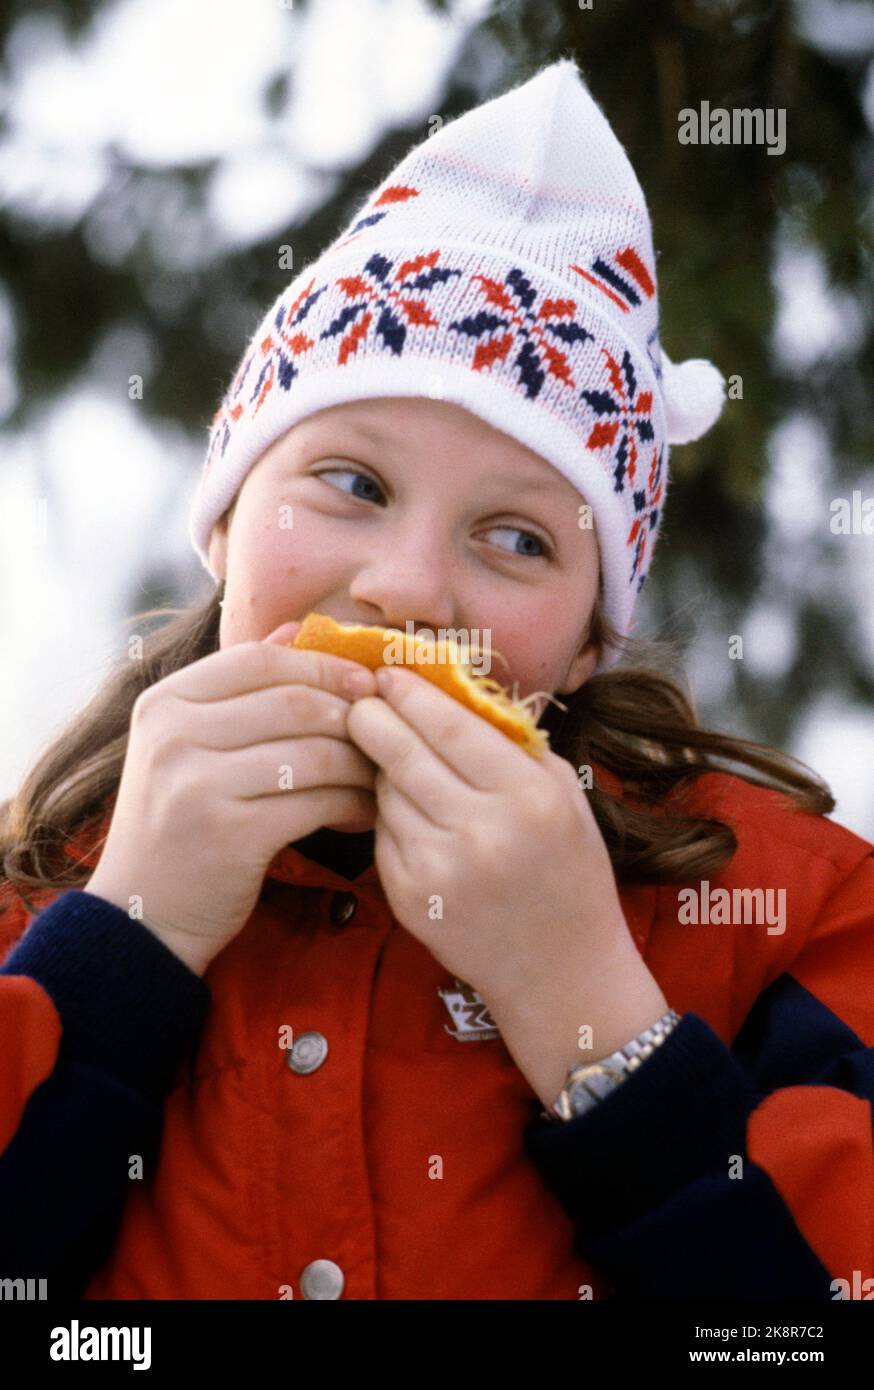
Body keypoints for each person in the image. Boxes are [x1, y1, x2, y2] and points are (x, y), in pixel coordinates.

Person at [1, 59, 872, 1302]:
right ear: (229, 522)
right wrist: (124, 949)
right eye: (351, 483)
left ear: (586, 641)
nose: (407, 590)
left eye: (516, 538)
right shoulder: (28, 901)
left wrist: (593, 1019)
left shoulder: (797, 908)